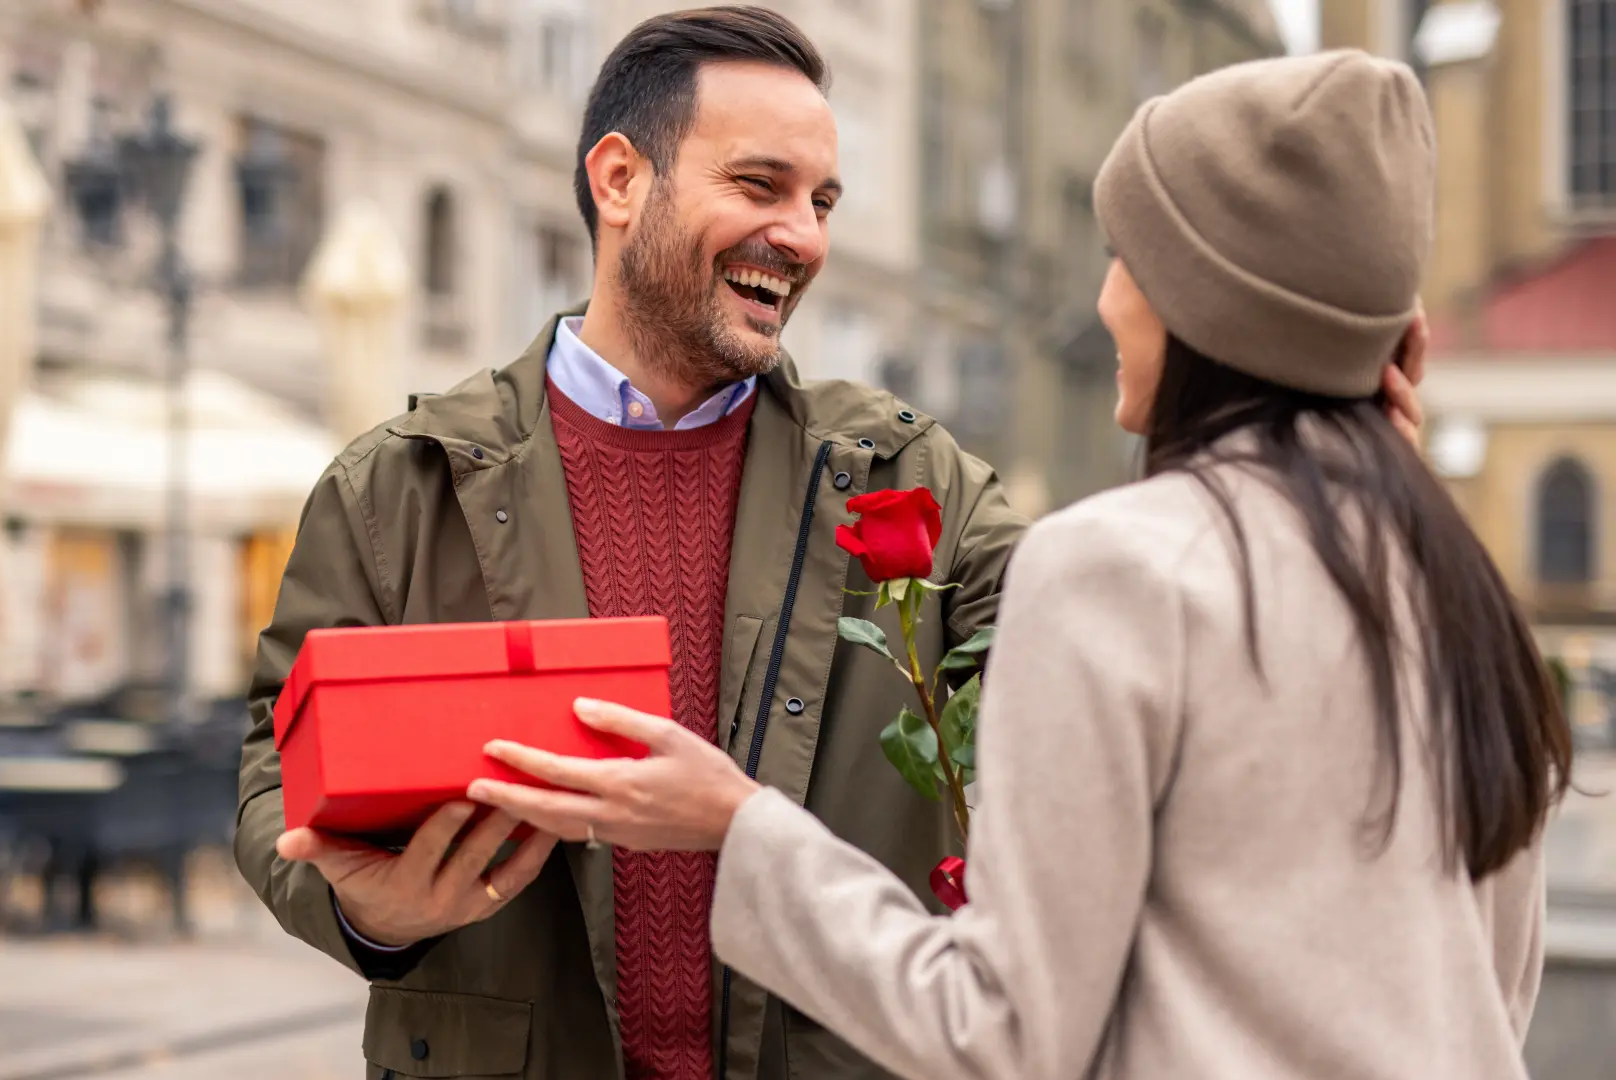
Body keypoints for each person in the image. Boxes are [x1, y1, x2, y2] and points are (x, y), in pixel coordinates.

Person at [467, 50, 1571, 1080]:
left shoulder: (1120, 572)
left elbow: (1000, 1032)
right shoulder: (1460, 593)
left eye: (1126, 258)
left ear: (1202, 299)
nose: (1105, 299)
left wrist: (739, 824)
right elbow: (1487, 1002)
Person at [236, 8, 1033, 1079]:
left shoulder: (907, 475)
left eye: (822, 200)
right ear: (619, 181)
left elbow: (1089, 631)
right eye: (760, 186)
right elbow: (274, 771)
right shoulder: (400, 483)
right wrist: (366, 912)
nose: (804, 236)